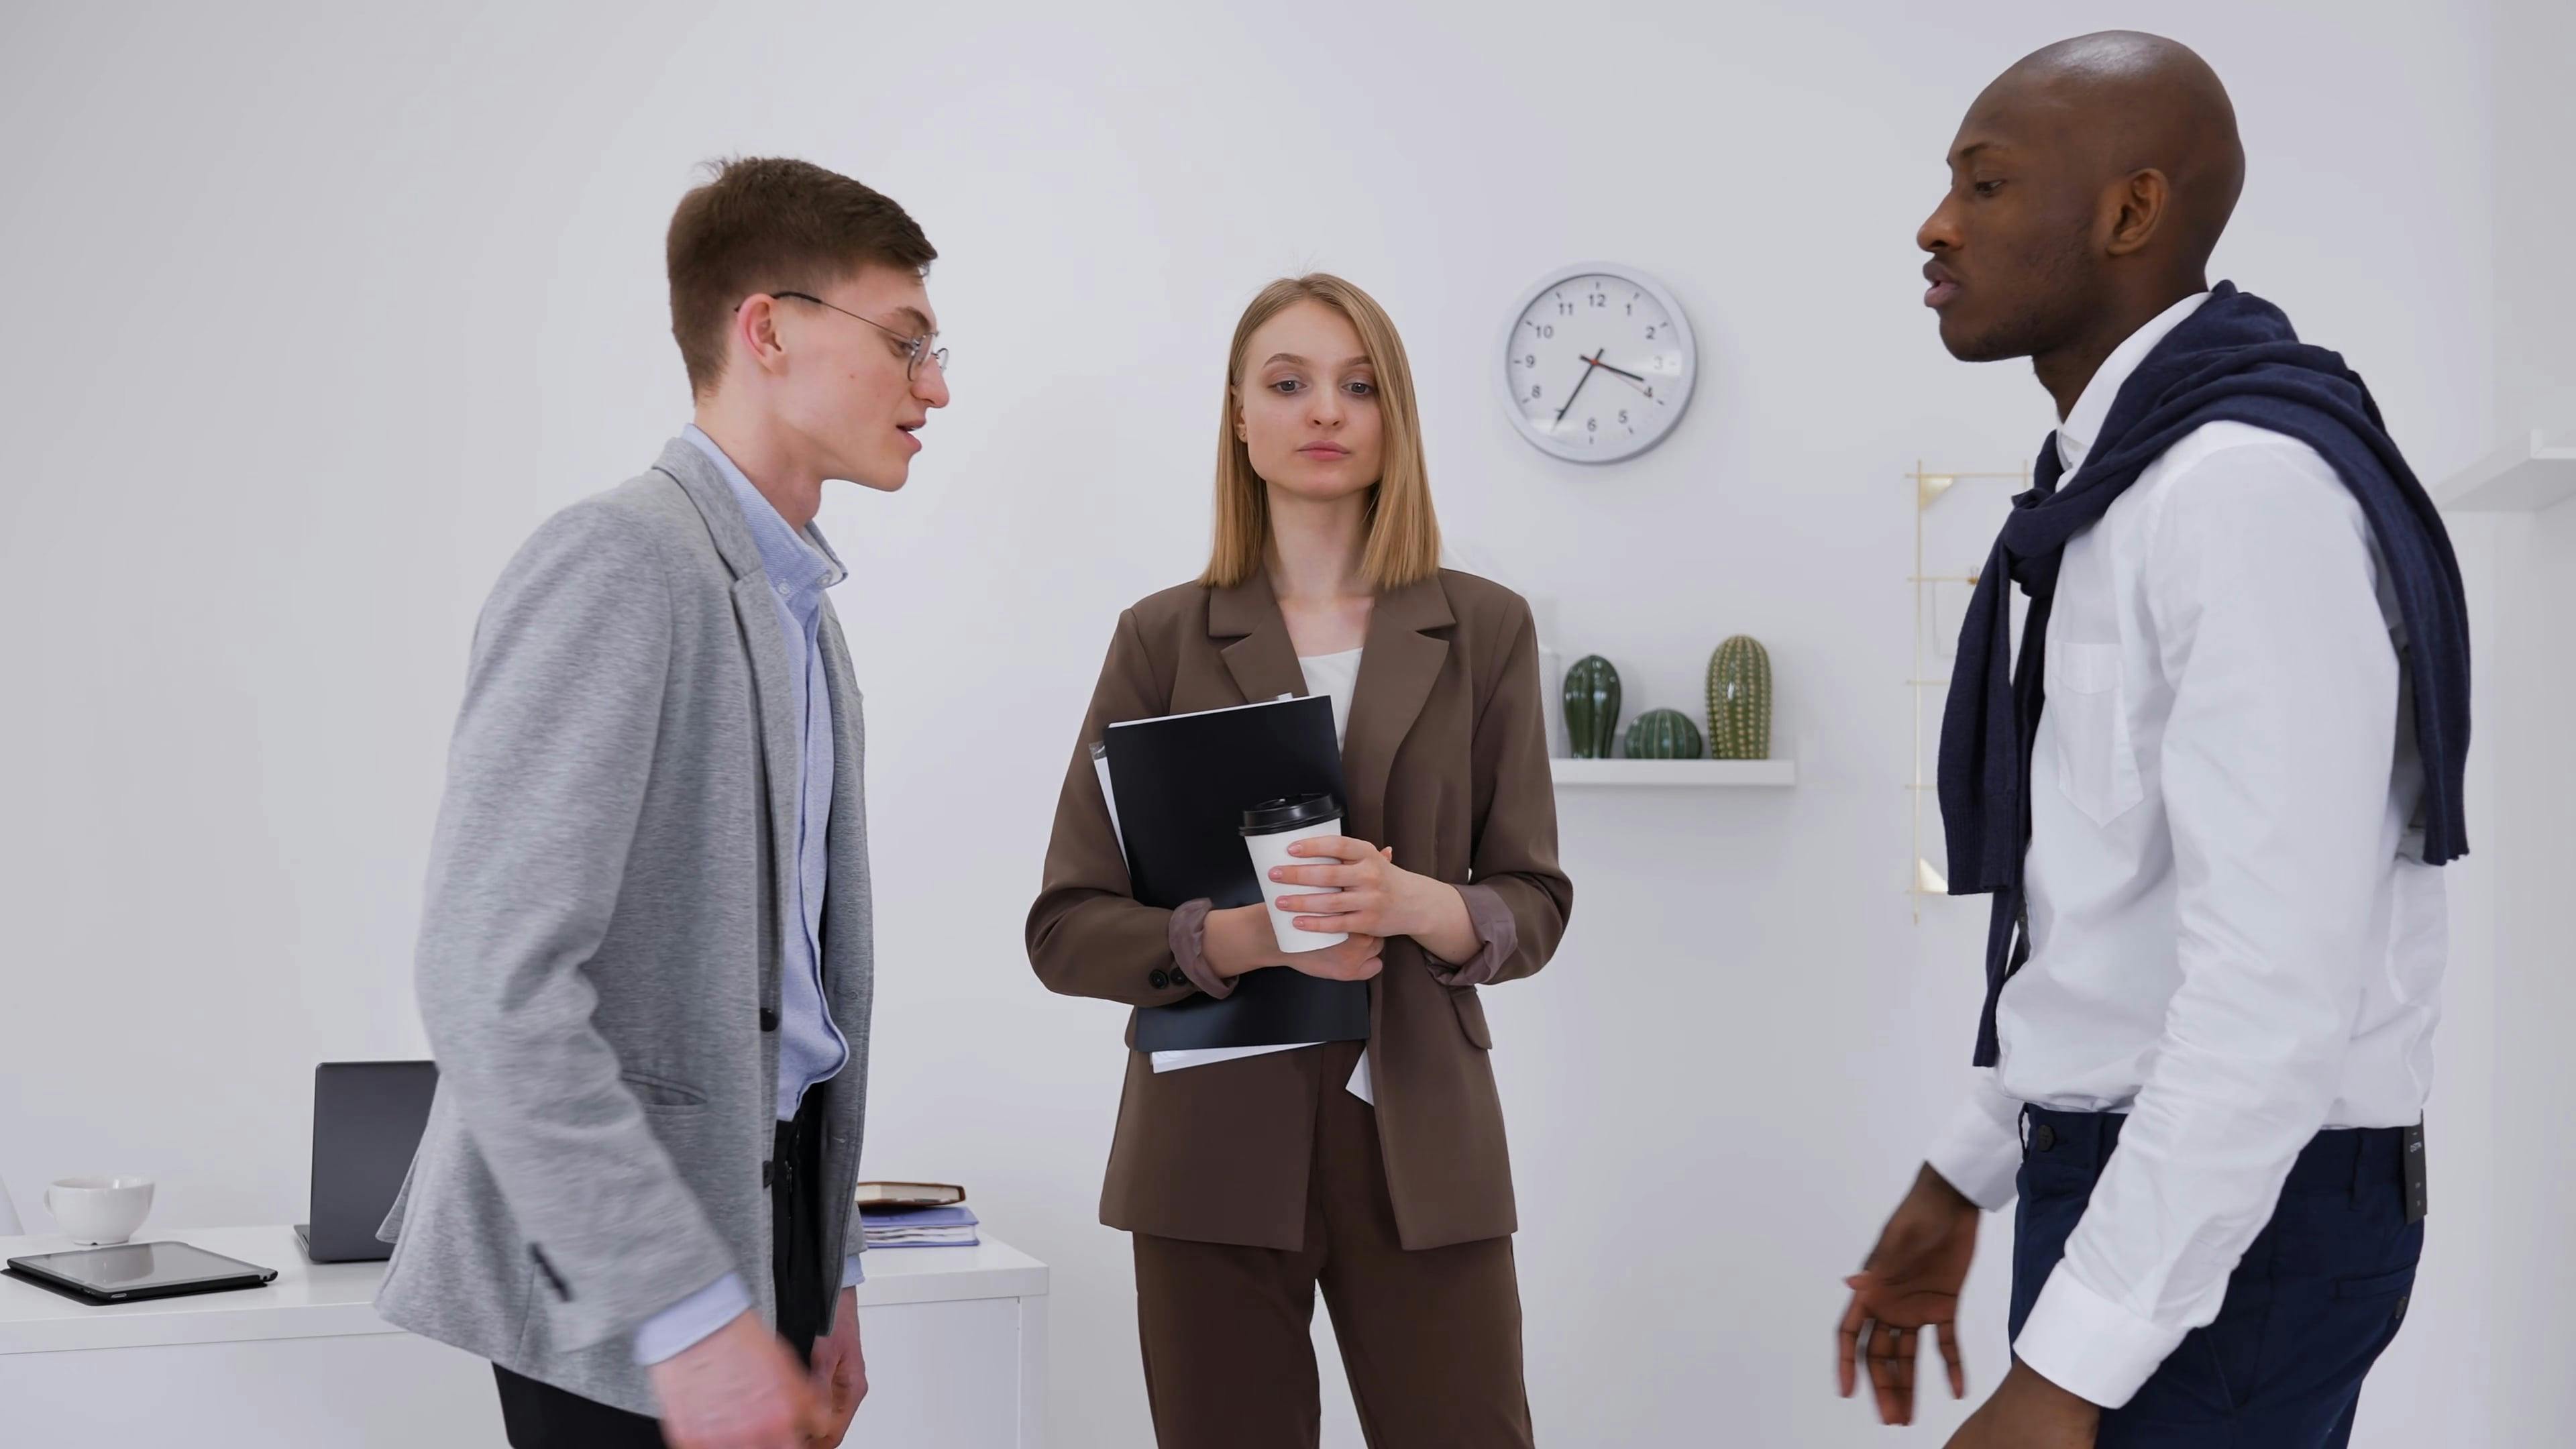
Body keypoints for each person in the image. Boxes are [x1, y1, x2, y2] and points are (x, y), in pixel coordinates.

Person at [1836, 32, 2473, 1449]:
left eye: (1986, 186)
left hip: (2231, 1228)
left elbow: (2272, 991)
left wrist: (2066, 1374)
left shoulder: (2240, 494)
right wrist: (1969, 1173)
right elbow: (2111, 915)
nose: (1935, 225)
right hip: (2158, 1191)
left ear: (2131, 214)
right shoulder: (2120, 488)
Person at [375, 156, 951, 1449]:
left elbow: (793, 998)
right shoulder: (621, 560)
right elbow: (489, 980)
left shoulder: (805, 614)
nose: (937, 385)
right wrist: (684, 1310)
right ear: (769, 329)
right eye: (906, 342)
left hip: (771, 1214)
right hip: (638, 1259)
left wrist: (831, 1265)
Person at [1026, 274, 1572, 1448]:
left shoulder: (1484, 628)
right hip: (1210, 1152)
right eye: (1289, 383)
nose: (1326, 410)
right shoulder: (1161, 637)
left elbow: (1536, 898)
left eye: (1358, 385)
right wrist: (1238, 935)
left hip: (1422, 1139)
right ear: (1239, 416)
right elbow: (1066, 925)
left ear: (1395, 417)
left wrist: (1428, 904)